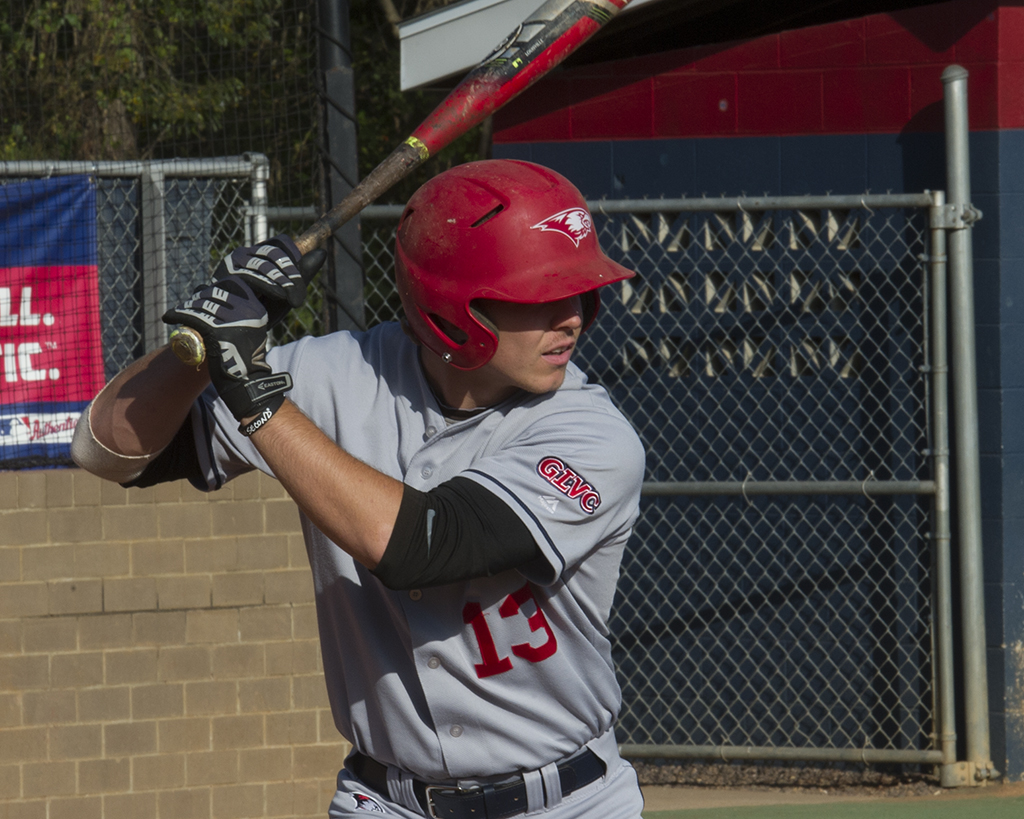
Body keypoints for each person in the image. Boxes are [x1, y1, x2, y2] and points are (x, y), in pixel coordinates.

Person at [72, 159, 647, 819]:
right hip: (385, 799)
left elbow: (422, 544)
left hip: (565, 801)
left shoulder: (592, 435)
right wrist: (200, 346)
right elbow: (106, 450)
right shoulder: (338, 373)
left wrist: (255, 396)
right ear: (451, 304)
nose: (572, 318)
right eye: (539, 296)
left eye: (579, 292)